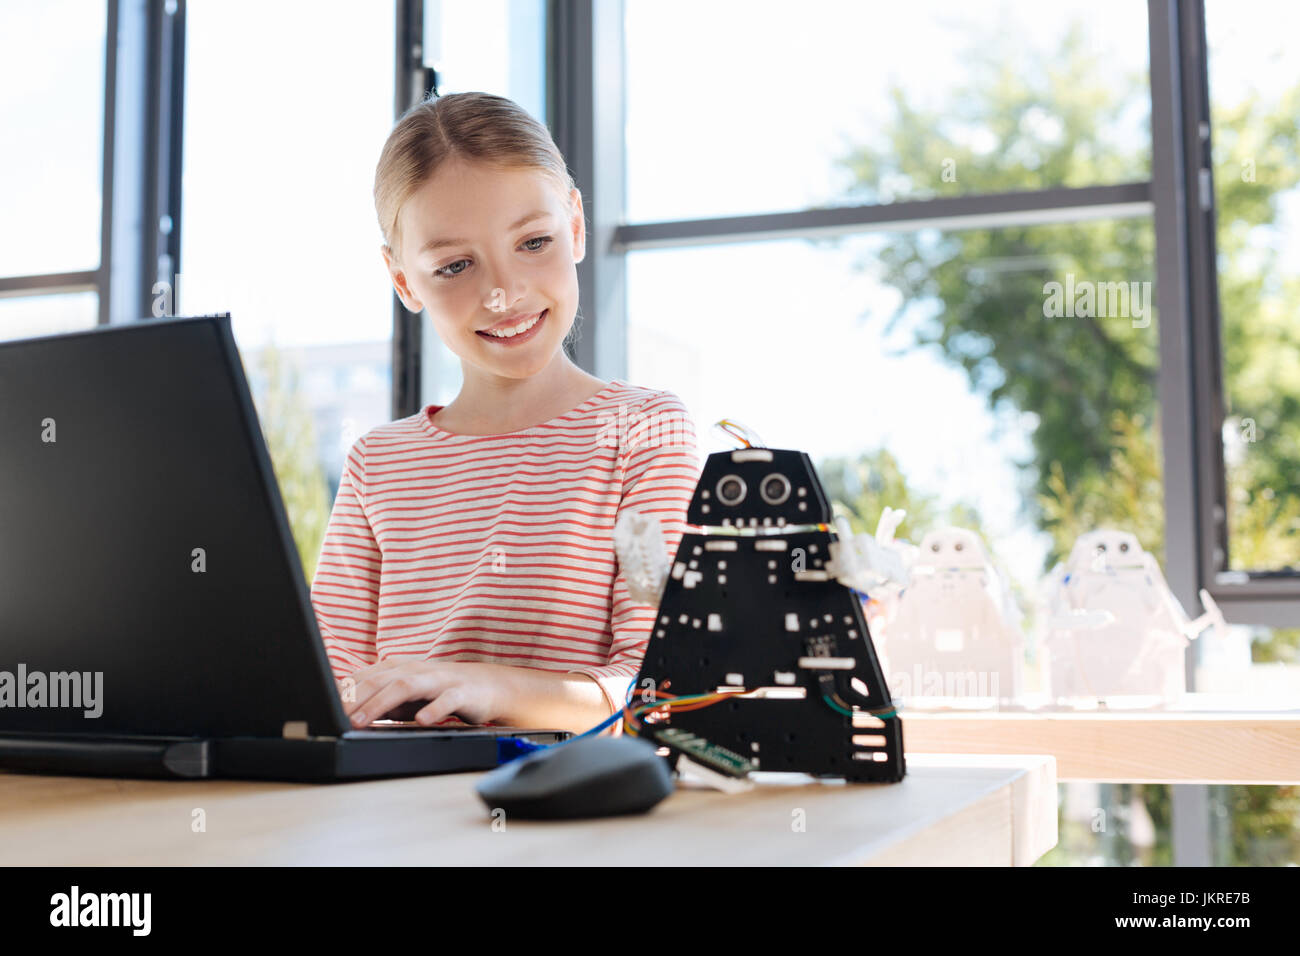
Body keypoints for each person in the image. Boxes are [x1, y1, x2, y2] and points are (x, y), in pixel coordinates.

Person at [309, 91, 700, 735]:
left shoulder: (643, 433)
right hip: (396, 794)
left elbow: (660, 690)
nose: (502, 292)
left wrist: (488, 688)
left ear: (575, 225)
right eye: (454, 266)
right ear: (403, 281)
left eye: (534, 241)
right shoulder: (378, 463)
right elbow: (325, 692)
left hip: (568, 793)